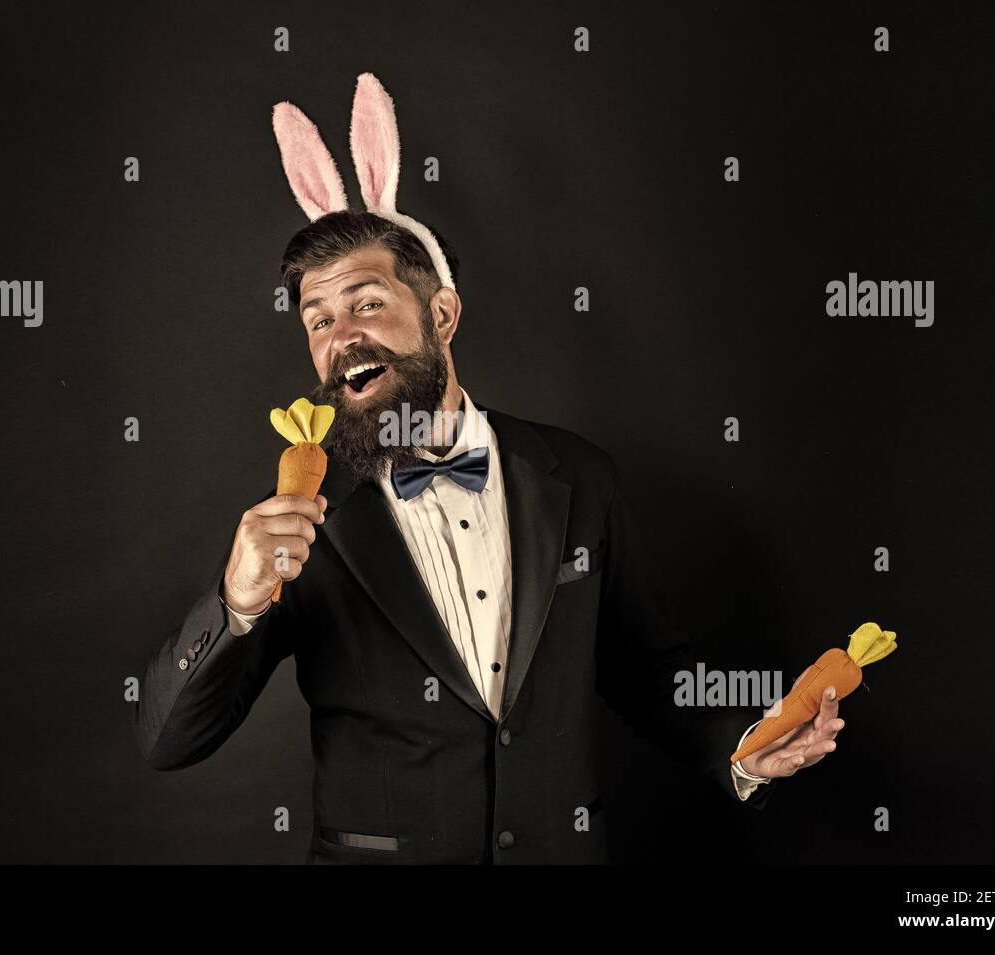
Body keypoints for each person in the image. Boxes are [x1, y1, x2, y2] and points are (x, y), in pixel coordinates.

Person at [134, 211, 845, 863]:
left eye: (366, 303)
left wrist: (745, 750)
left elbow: (647, 669)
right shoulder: (301, 516)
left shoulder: (580, 475)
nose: (340, 335)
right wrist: (238, 603)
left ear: (442, 313)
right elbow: (169, 742)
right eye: (317, 321)